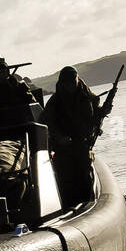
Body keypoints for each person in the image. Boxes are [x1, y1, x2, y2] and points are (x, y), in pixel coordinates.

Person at [41, 66, 101, 205]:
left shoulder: (86, 95)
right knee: (66, 178)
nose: (71, 85)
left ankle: (88, 203)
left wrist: (101, 114)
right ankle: (69, 205)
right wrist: (58, 137)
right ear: (63, 83)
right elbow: (46, 122)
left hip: (82, 143)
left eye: (73, 81)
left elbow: (95, 112)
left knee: (85, 177)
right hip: (64, 146)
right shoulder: (55, 101)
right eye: (67, 82)